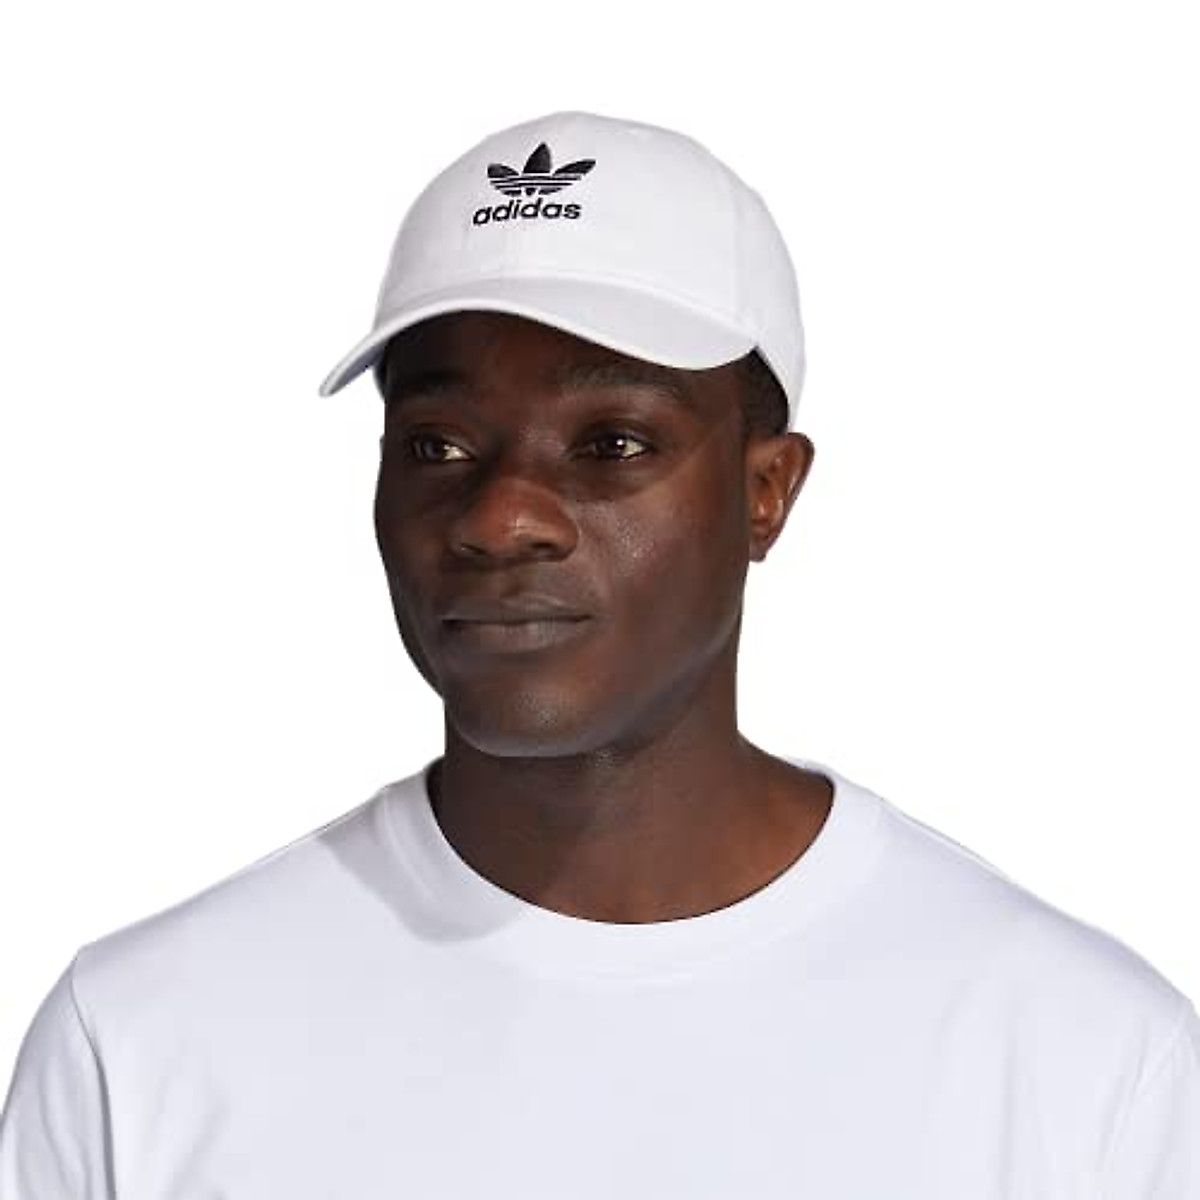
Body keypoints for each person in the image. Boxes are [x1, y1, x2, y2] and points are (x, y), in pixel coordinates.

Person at [1, 109, 1196, 1198]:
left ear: (767, 492)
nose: (499, 518)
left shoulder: (1082, 1065)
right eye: (436, 445)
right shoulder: (142, 1047)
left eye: (612, 442)